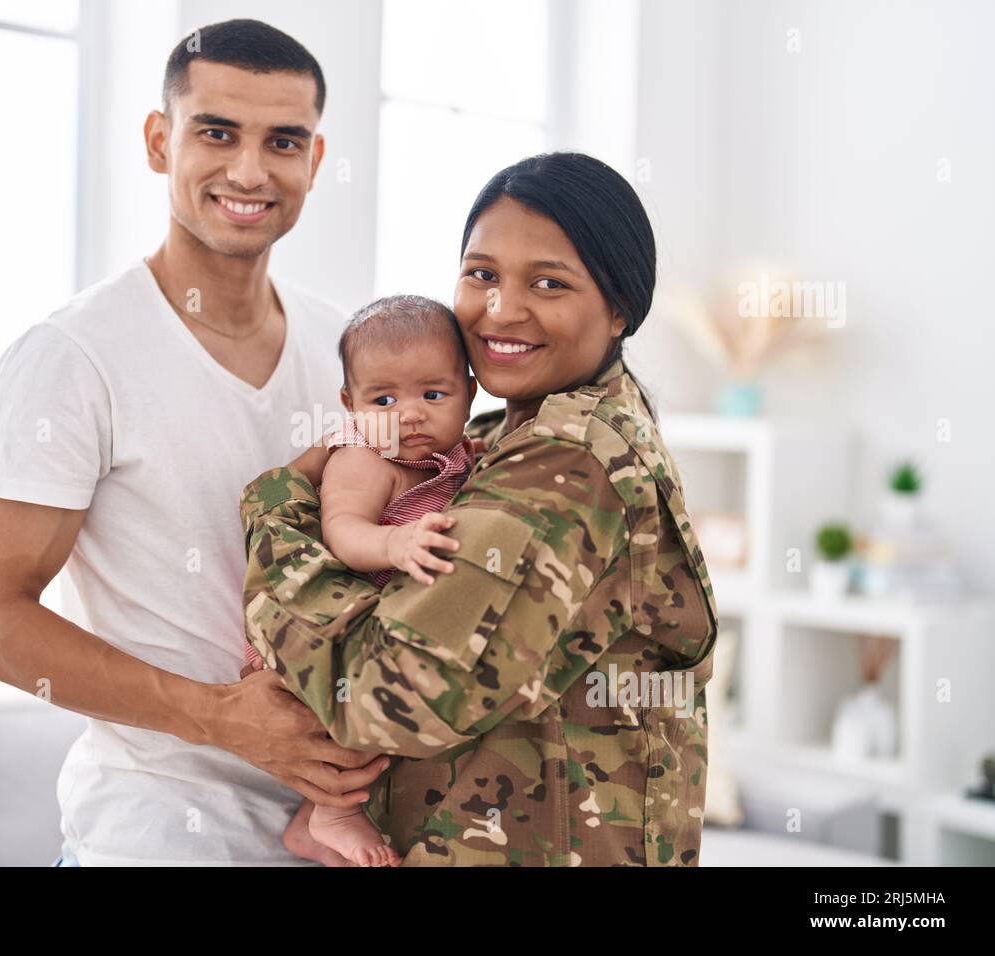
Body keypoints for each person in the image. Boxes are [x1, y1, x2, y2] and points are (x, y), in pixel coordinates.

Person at [0, 19, 389, 866]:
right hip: (151, 837)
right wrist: (218, 716)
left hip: (335, 841)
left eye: (283, 141)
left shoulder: (347, 351)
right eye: (216, 132)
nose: (251, 171)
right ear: (161, 141)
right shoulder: (74, 357)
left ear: (315, 158)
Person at [240, 151, 720, 866]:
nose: (500, 309)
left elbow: (389, 694)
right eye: (482, 274)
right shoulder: (492, 439)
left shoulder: (570, 462)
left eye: (549, 283)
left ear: (619, 310)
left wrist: (274, 511)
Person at [244, 294, 478, 866]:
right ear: (350, 405)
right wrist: (393, 543)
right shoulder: (363, 458)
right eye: (383, 398)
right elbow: (343, 530)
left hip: (384, 626)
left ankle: (308, 822)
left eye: (433, 393)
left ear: (470, 392)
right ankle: (333, 813)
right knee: (356, 712)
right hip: (324, 637)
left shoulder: (457, 455)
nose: (409, 414)